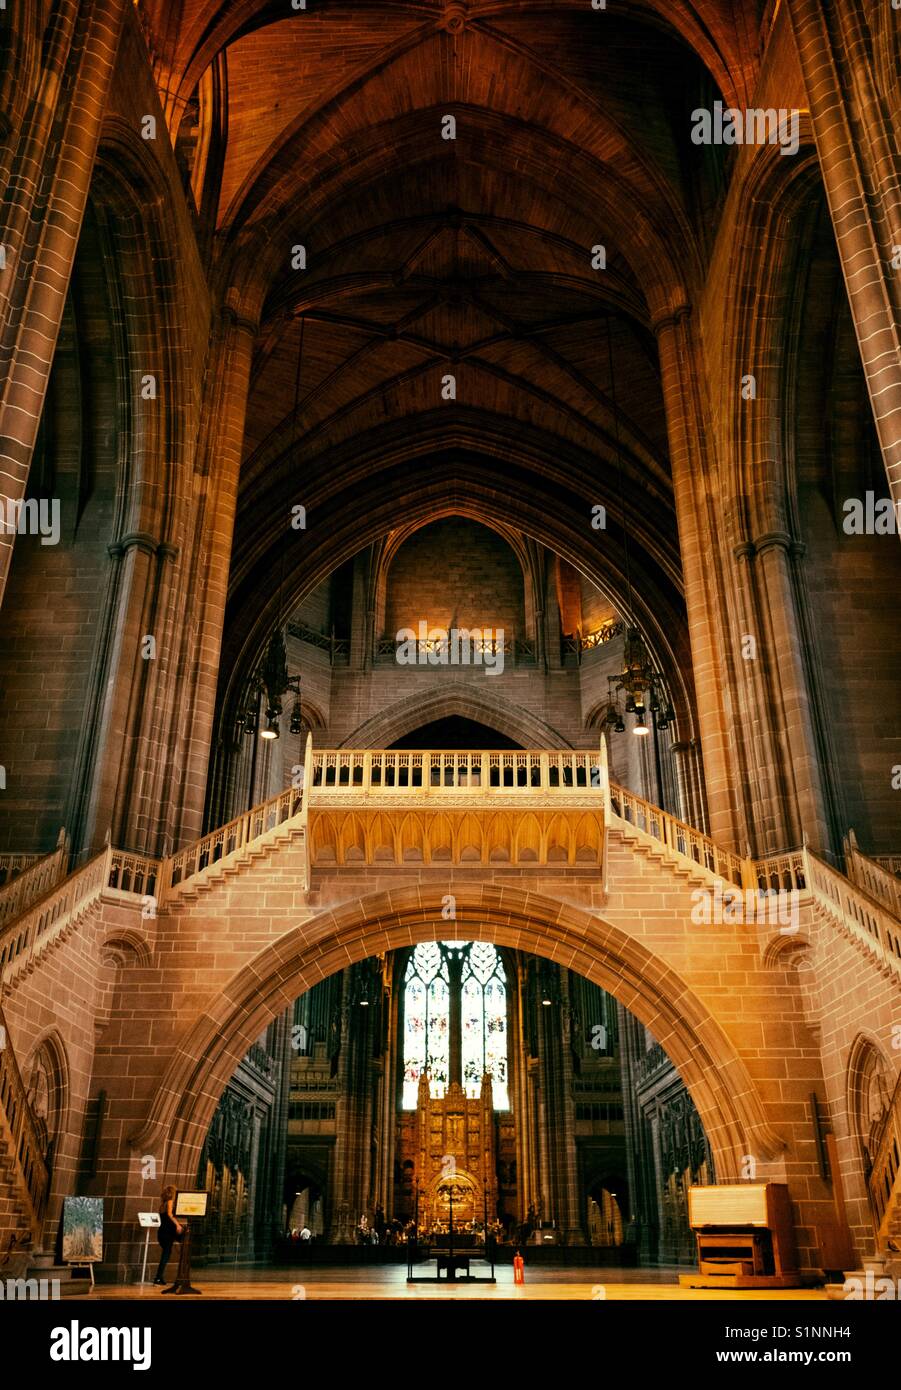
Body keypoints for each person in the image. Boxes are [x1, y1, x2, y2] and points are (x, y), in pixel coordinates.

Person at [153, 1185, 184, 1285]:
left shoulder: (163, 1204)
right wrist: (178, 1225)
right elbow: (170, 1215)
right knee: (166, 1255)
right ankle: (158, 1278)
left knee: (166, 1255)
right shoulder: (170, 1202)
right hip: (168, 1232)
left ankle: (159, 1277)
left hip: (162, 1232)